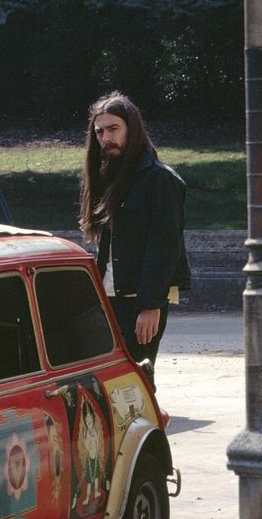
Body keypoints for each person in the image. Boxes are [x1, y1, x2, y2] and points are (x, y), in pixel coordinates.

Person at [79, 91, 190, 366]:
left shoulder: (159, 179)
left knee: (137, 377)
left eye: (113, 129)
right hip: (110, 296)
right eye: (100, 131)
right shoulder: (110, 178)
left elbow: (164, 247)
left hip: (142, 299)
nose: (106, 138)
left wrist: (151, 305)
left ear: (132, 128)